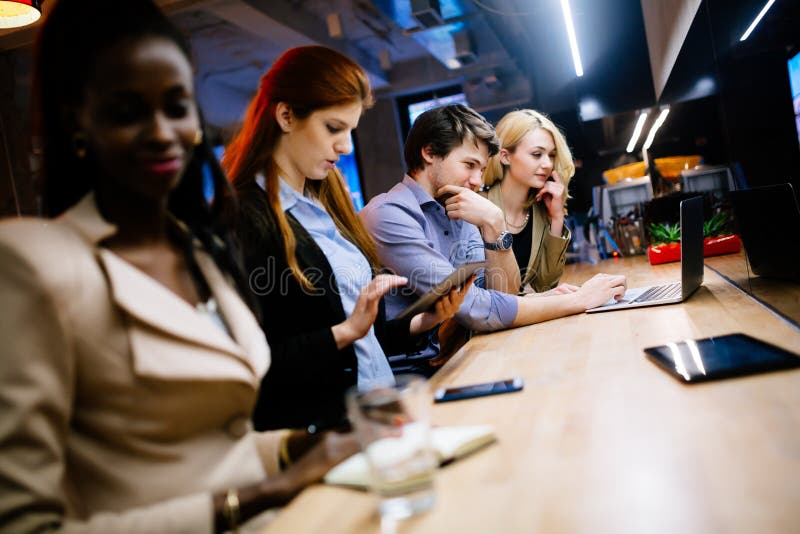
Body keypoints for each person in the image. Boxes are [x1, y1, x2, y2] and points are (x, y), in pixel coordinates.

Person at [0, 2, 359, 532]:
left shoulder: (198, 248)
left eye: (176, 106)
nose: (162, 131)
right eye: (127, 111)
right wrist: (257, 496)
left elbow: (215, 445)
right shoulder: (32, 262)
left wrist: (306, 445)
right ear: (78, 121)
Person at [224, 46, 468, 432]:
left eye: (351, 130)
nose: (347, 146)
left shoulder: (321, 201)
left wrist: (426, 319)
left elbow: (360, 338)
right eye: (334, 128)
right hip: (323, 436)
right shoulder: (244, 217)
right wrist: (345, 331)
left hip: (379, 417)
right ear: (286, 116)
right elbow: (254, 364)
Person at [360, 104, 627, 365]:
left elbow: (499, 295)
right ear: (429, 153)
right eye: (469, 165)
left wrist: (494, 225)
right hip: (413, 372)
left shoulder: (461, 205)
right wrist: (577, 300)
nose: (477, 180)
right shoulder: (388, 214)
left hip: (459, 355)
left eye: (482, 169)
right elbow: (477, 310)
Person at [482, 109, 576, 293]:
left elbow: (545, 284)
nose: (548, 164)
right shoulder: (478, 208)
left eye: (551, 155)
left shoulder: (541, 211)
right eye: (536, 154)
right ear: (505, 156)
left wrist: (557, 218)